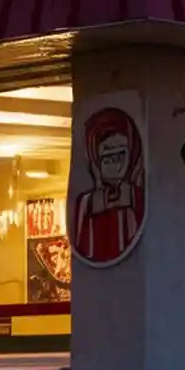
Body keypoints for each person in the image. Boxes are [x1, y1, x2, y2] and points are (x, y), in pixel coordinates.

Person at [72, 107, 145, 264]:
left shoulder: (136, 196)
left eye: (120, 155)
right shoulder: (86, 203)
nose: (115, 165)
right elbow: (81, 244)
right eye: (108, 158)